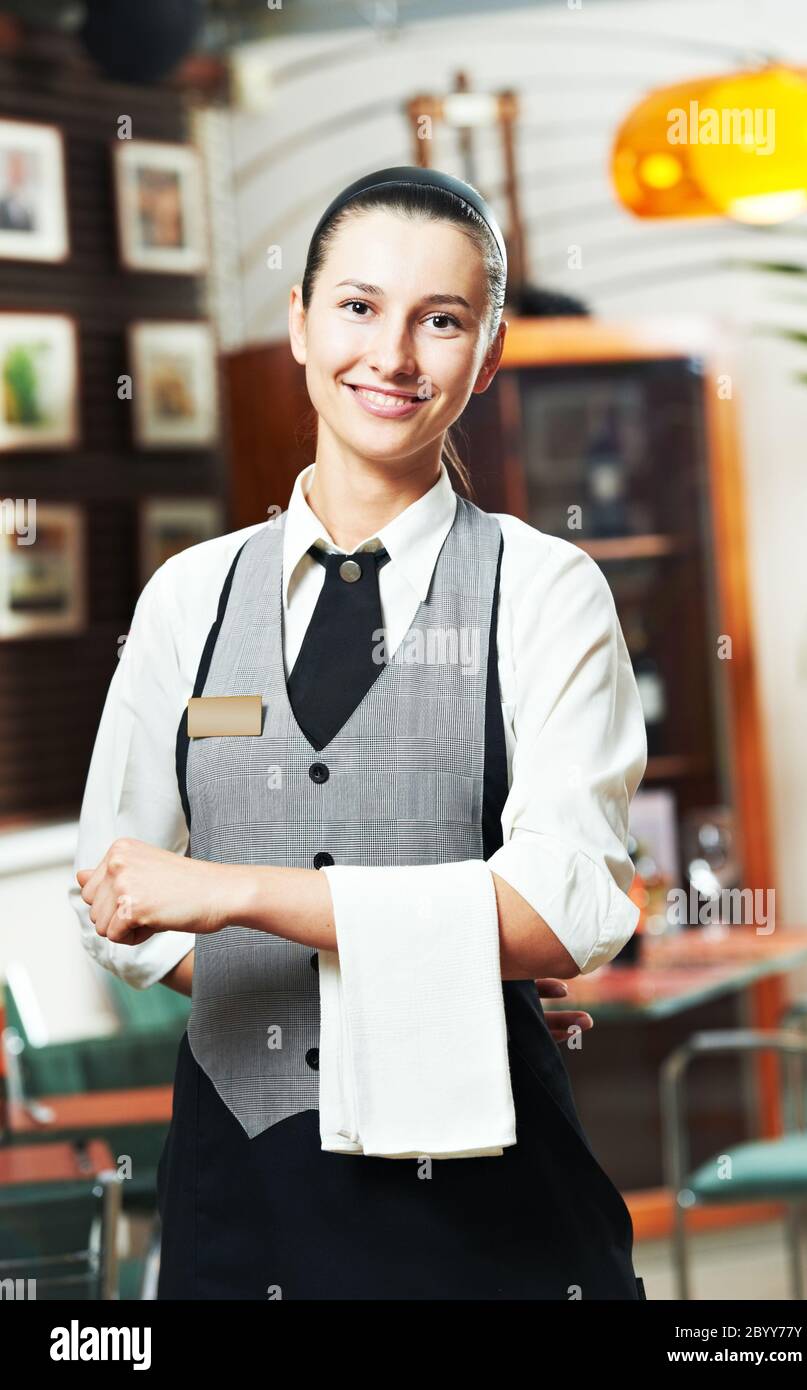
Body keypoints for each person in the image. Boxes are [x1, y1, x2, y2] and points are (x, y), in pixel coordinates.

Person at [70, 166, 648, 1300]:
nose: (392, 354)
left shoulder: (547, 588)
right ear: (298, 321)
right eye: (358, 306)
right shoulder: (188, 596)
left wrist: (235, 891)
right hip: (239, 1196)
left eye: (440, 321)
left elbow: (561, 905)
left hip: (489, 1202)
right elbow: (121, 892)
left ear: (484, 357)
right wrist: (426, 961)